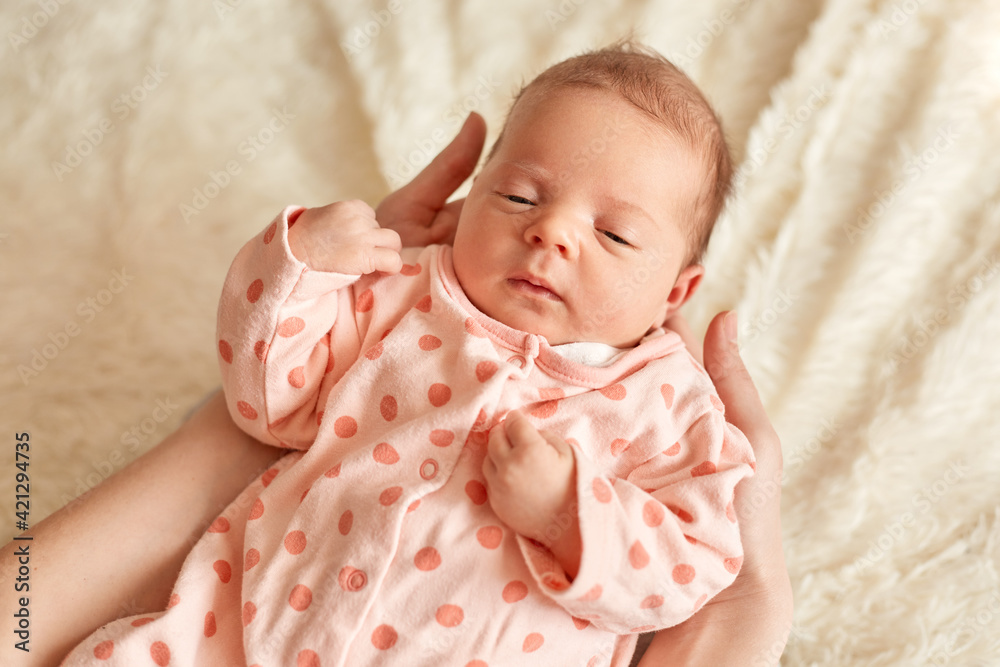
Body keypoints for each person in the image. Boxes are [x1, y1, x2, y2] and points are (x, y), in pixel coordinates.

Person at [1, 54, 792, 667]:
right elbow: (264, 399)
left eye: (615, 235)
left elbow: (697, 560)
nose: (552, 233)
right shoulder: (402, 295)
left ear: (675, 291)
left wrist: (568, 514)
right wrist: (302, 269)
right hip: (236, 632)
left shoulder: (668, 405)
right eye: (519, 196)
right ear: (475, 197)